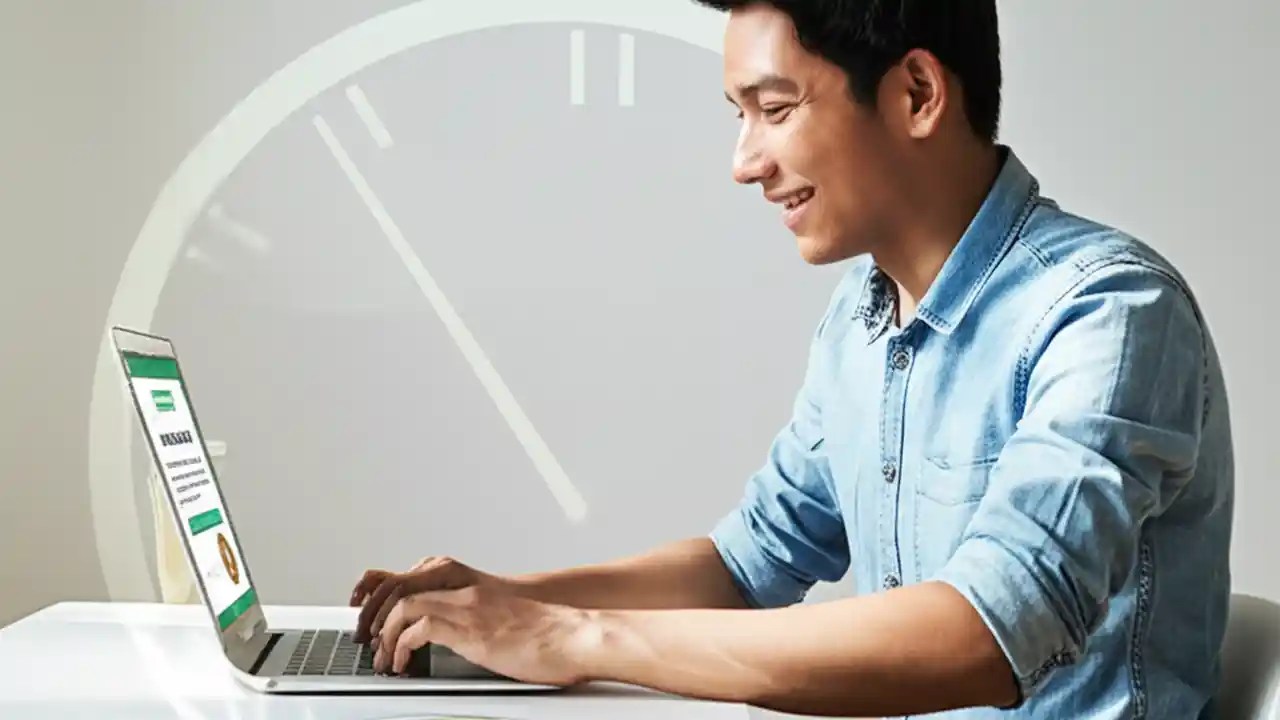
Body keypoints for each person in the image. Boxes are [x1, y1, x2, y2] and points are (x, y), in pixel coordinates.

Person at [348, 1, 1235, 717]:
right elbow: (743, 571)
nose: (745, 162)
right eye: (741, 117)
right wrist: (504, 601)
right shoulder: (860, 319)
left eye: (775, 110)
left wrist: (576, 640)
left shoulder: (1107, 311)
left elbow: (985, 637)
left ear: (918, 92)